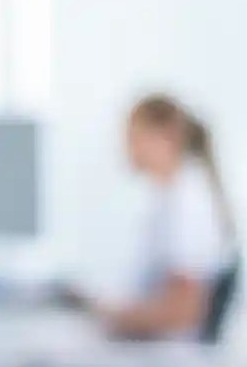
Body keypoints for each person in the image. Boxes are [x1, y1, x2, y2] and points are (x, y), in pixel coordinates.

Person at [69, 94, 237, 340]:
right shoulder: (170, 196)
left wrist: (110, 314)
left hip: (167, 360)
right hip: (153, 352)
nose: (126, 148)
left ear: (165, 136)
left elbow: (183, 313)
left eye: (133, 137)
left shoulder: (189, 204)